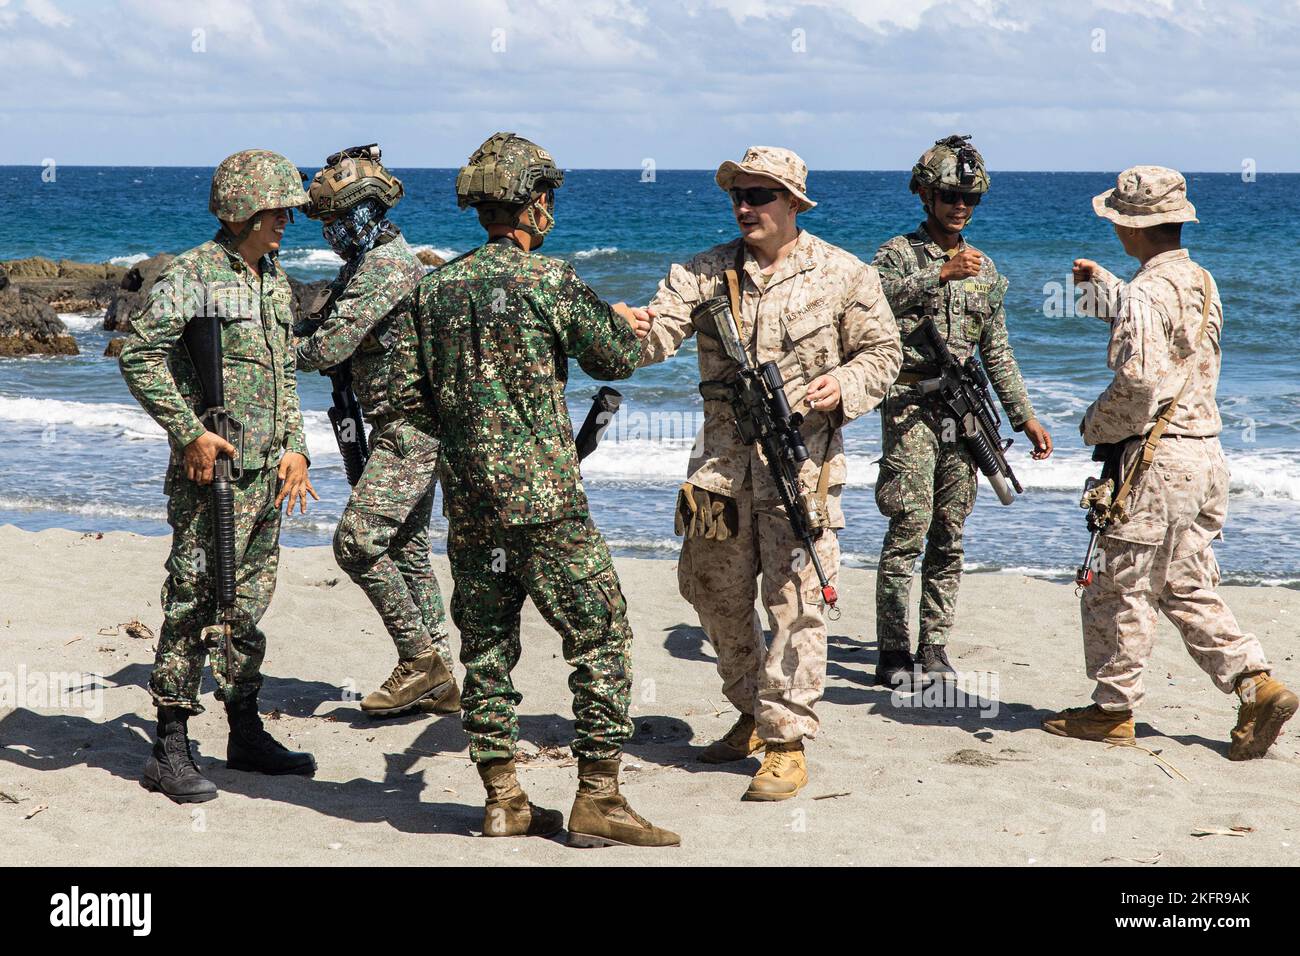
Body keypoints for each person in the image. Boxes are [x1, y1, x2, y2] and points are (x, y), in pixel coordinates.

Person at [408, 131, 679, 847]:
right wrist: (620, 320)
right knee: (600, 635)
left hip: (469, 504)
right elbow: (616, 357)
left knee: (488, 650)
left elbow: (409, 397)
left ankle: (503, 799)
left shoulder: (432, 289)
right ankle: (599, 796)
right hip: (546, 503)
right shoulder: (550, 281)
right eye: (546, 196)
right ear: (534, 203)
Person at [639, 145, 901, 801]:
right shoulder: (702, 271)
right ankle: (753, 710)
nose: (745, 206)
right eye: (739, 194)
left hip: (803, 467)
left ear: (792, 204)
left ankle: (785, 741)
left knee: (797, 604)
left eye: (760, 195)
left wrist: (840, 384)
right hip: (717, 467)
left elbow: (884, 354)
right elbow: (653, 337)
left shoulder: (845, 274)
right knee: (708, 590)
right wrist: (613, 323)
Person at [1042, 165, 1297, 758]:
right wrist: (1110, 292)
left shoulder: (1143, 294)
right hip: (1205, 455)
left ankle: (1112, 710)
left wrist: (1093, 424)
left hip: (1155, 460)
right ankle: (1255, 682)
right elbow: (1174, 339)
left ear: (1131, 229)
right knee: (1183, 580)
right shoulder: (1202, 281)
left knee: (1117, 585)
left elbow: (1139, 381)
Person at [119, 149, 319, 803]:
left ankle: (242, 732)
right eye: (277, 210)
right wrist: (189, 431)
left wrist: (296, 447)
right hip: (212, 478)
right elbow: (141, 354)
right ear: (242, 210)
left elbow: (283, 373)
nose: (287, 220)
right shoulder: (194, 275)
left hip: (266, 476)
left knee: (247, 608)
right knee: (193, 604)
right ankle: (168, 747)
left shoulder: (273, 279)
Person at [871, 134, 1052, 687]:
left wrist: (1023, 415)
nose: (960, 206)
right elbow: (866, 302)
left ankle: (934, 646)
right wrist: (938, 275)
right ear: (925, 195)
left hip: (962, 411)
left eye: (970, 199)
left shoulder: (986, 268)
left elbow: (996, 350)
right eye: (950, 195)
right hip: (909, 405)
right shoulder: (897, 254)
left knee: (950, 532)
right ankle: (894, 652)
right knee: (909, 526)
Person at [296, 144, 459, 718]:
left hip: (410, 430)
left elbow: (330, 345)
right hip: (404, 426)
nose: (329, 233)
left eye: (337, 221)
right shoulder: (366, 267)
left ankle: (419, 661)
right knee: (407, 549)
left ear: (366, 213)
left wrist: (270, 351)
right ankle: (439, 678)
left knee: (357, 542)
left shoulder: (384, 268)